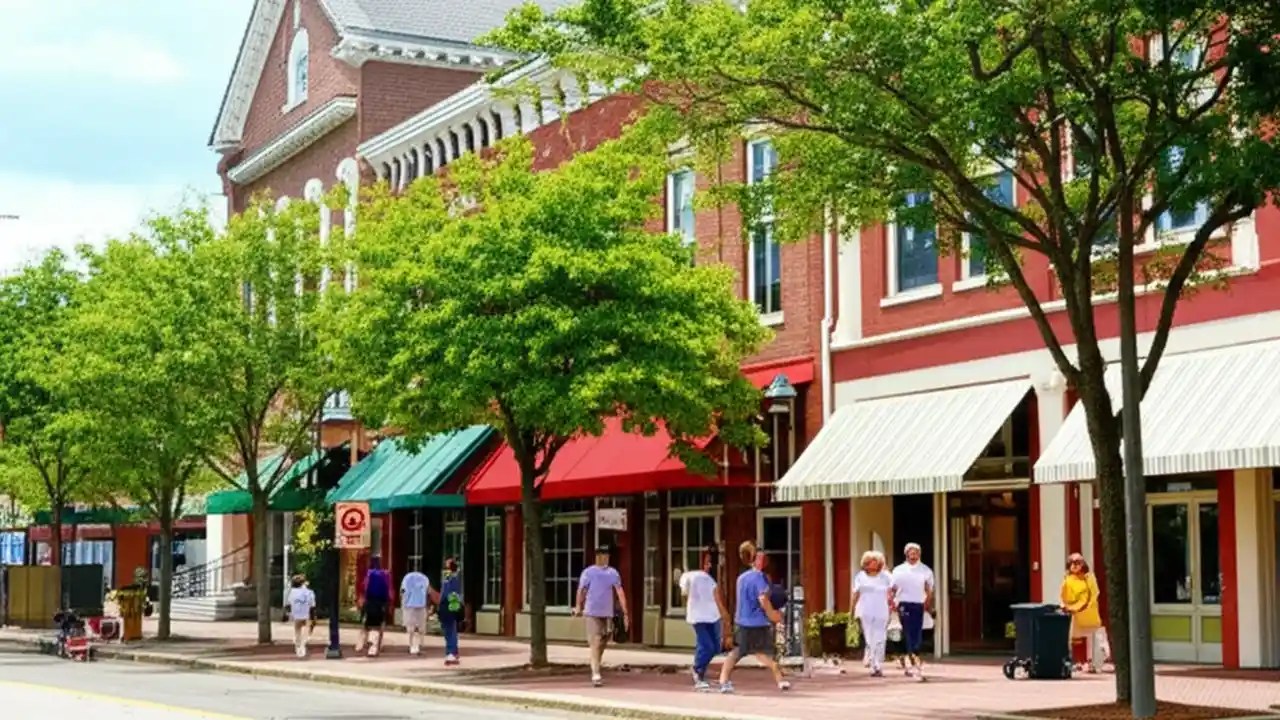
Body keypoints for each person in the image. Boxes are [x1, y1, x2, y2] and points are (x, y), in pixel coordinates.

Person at [719, 542, 789, 694]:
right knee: (760, 652)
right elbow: (763, 599)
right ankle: (779, 677)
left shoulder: (741, 578)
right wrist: (773, 615)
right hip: (757, 622)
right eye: (760, 558)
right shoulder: (759, 578)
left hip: (743, 621)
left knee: (743, 652)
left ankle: (724, 680)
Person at [572, 545, 629, 687]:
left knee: (604, 640)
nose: (606, 558)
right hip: (592, 611)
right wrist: (578, 606)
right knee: (596, 641)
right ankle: (596, 673)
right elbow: (582, 590)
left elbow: (619, 591)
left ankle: (595, 661)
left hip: (607, 612)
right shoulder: (588, 572)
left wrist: (625, 611)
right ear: (597, 557)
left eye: (607, 556)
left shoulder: (612, 573)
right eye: (603, 555)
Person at [678, 545, 731, 692]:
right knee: (705, 645)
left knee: (715, 647)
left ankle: (700, 671)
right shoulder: (689, 576)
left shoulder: (710, 579)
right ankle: (698, 671)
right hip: (698, 616)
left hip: (713, 616)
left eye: (709, 562)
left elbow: (717, 598)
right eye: (706, 562)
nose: (708, 565)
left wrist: (724, 615)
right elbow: (684, 592)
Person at [889, 542, 934, 681]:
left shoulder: (925, 570)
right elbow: (892, 588)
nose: (913, 556)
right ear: (906, 554)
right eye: (911, 553)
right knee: (907, 629)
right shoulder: (899, 570)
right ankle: (911, 655)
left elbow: (929, 589)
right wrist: (891, 603)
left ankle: (914, 653)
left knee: (917, 630)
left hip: (918, 603)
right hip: (903, 603)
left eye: (916, 553)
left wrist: (928, 604)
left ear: (919, 554)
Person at [1060, 552, 1106, 674]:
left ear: (1083, 564)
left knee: (1092, 638)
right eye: (1071, 562)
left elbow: (1094, 594)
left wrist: (1081, 607)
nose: (1074, 565)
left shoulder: (1089, 578)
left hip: (1088, 613)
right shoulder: (1068, 579)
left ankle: (1093, 663)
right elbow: (1064, 595)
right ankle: (1076, 662)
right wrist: (1066, 606)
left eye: (1077, 562)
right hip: (1074, 614)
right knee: (1074, 639)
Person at [850, 550, 891, 677]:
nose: (873, 564)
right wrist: (851, 610)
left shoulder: (886, 576)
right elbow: (855, 594)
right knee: (869, 638)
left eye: (875, 561)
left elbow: (894, 590)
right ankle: (874, 664)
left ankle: (877, 663)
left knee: (880, 637)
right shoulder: (860, 576)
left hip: (881, 610)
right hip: (865, 610)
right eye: (870, 561)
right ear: (866, 563)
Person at [356, 556, 392, 657]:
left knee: (367, 624)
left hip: (370, 601)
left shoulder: (369, 573)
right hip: (382, 602)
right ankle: (377, 645)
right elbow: (389, 589)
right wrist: (389, 603)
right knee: (379, 624)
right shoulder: (385, 574)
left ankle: (364, 643)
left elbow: (364, 587)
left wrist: (361, 601)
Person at [437, 557, 463, 665]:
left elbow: (445, 593)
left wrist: (441, 604)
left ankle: (451, 652)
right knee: (452, 629)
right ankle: (453, 652)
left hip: (448, 605)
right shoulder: (456, 577)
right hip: (452, 605)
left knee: (449, 630)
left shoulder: (448, 578)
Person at [400, 566, 431, 656]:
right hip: (421, 604)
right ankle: (420, 644)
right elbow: (428, 593)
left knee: (410, 627)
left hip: (409, 605)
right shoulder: (425, 578)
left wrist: (403, 603)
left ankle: (411, 645)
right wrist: (428, 606)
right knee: (420, 626)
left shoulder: (406, 578)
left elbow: (403, 591)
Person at [286, 574, 315, 659]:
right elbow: (312, 604)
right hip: (306, 613)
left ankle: (298, 645)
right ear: (303, 583)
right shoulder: (309, 592)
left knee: (297, 629)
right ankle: (303, 645)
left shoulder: (292, 592)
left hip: (296, 613)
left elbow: (288, 602)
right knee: (306, 629)